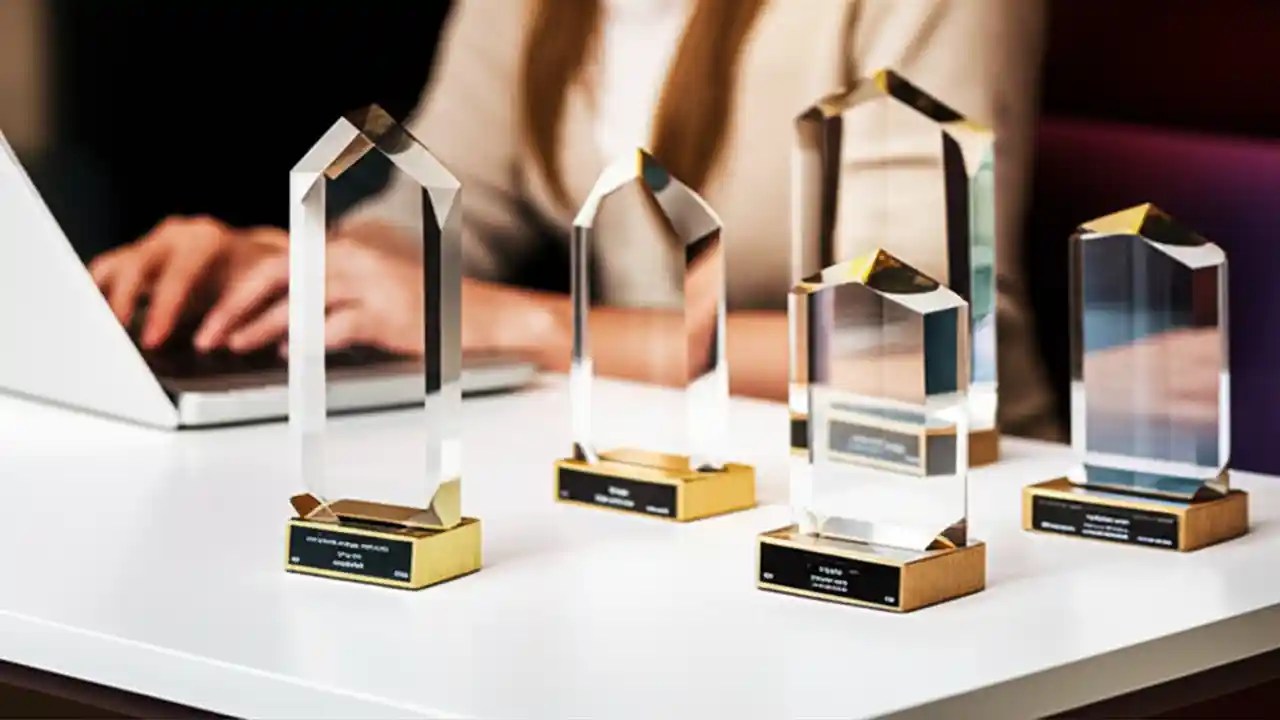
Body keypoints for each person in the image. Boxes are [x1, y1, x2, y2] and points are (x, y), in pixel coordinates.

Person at [87, 0, 1060, 439]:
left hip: (936, 502)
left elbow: (908, 346)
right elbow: (442, 199)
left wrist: (515, 324)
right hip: (665, 470)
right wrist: (297, 266)